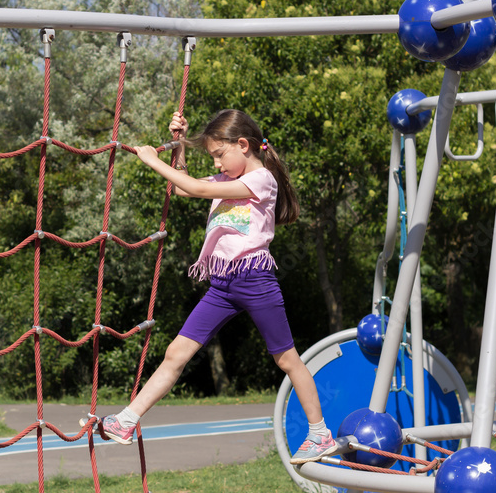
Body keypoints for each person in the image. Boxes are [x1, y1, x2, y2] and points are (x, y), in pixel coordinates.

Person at [92, 108, 338, 465]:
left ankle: (319, 434)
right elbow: (184, 188)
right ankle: (127, 421)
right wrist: (179, 146)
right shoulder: (228, 178)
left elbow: (194, 187)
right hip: (222, 284)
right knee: (176, 352)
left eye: (220, 155)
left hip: (254, 278)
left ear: (243, 144)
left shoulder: (262, 180)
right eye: (214, 159)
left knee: (286, 358)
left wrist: (151, 160)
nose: (219, 164)